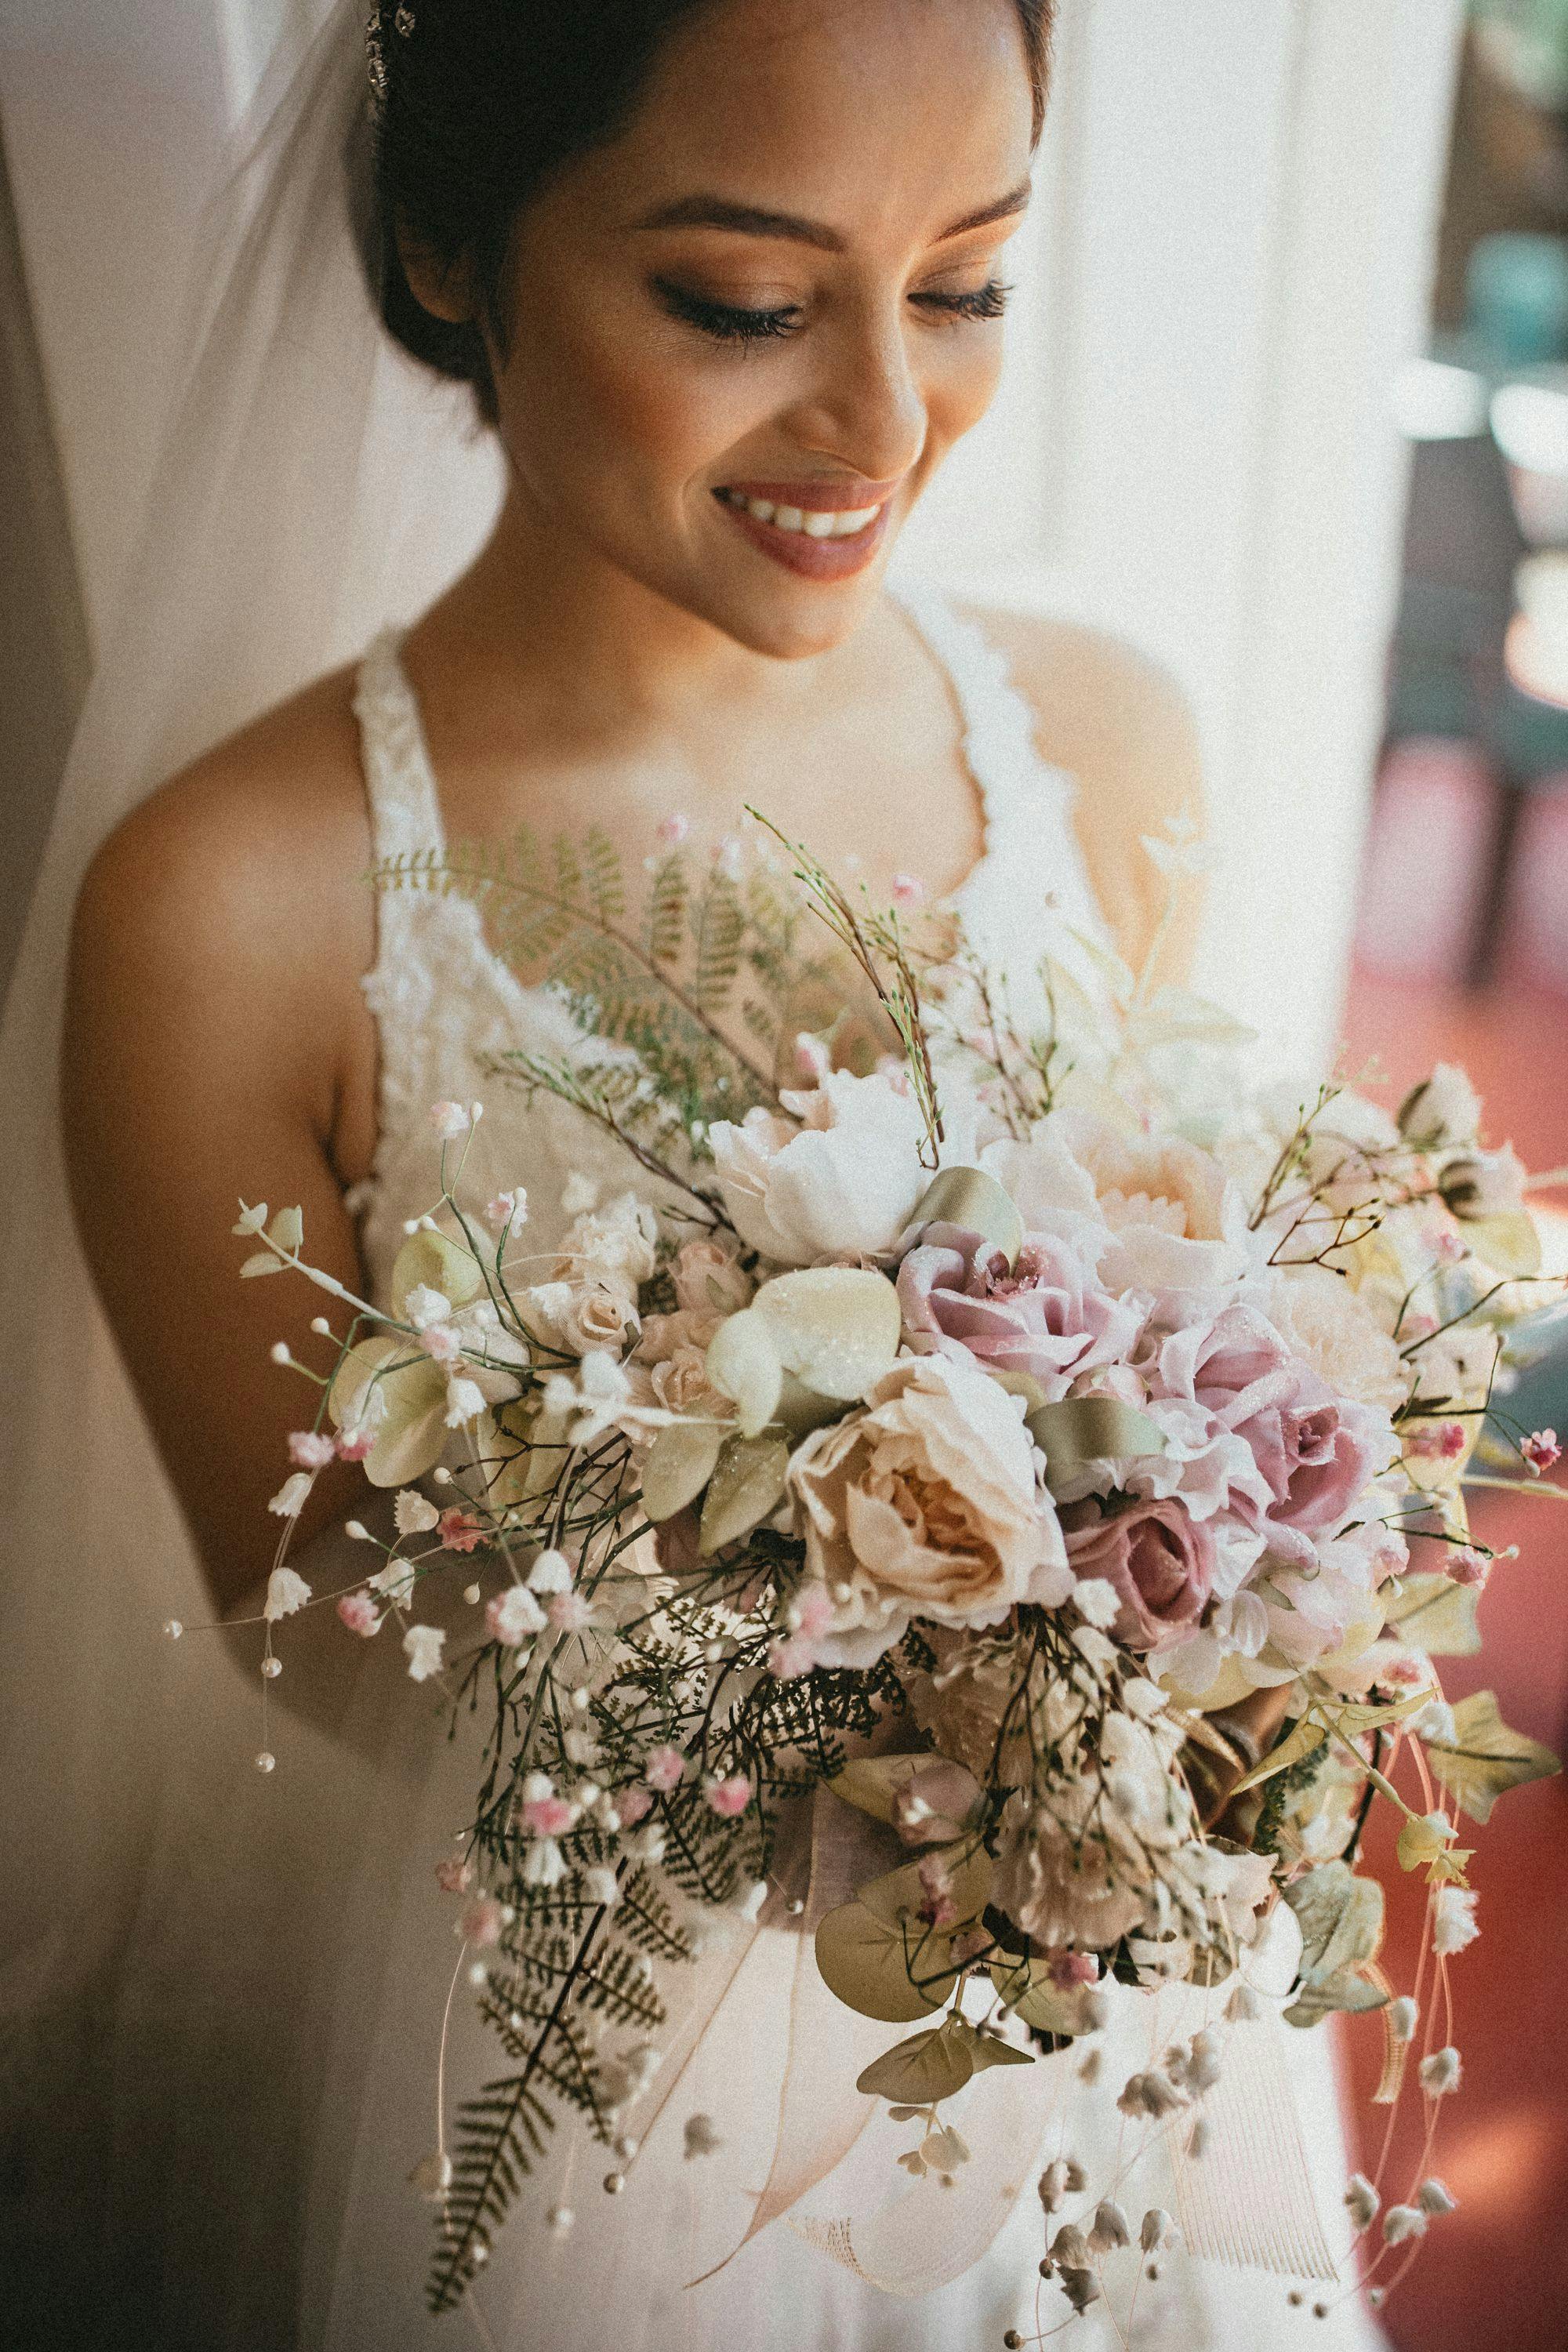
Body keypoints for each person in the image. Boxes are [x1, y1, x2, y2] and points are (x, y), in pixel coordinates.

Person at [16, 3, 1381, 2345]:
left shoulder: (1108, 737)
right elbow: (314, 1622)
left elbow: (1188, 1289)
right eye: (745, 305)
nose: (880, 421)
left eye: (965, 283)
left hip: (1100, 2019)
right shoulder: (228, 910)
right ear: (459, 246)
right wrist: (861, 1712)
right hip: (582, 2123)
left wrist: (1216, 1614)